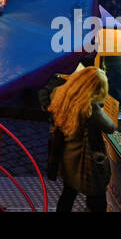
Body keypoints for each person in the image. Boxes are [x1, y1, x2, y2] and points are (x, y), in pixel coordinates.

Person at [47, 65, 115, 212]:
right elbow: (110, 127)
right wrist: (99, 105)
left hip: (66, 156)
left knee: (67, 195)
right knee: (97, 201)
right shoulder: (89, 106)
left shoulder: (61, 93)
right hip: (85, 161)